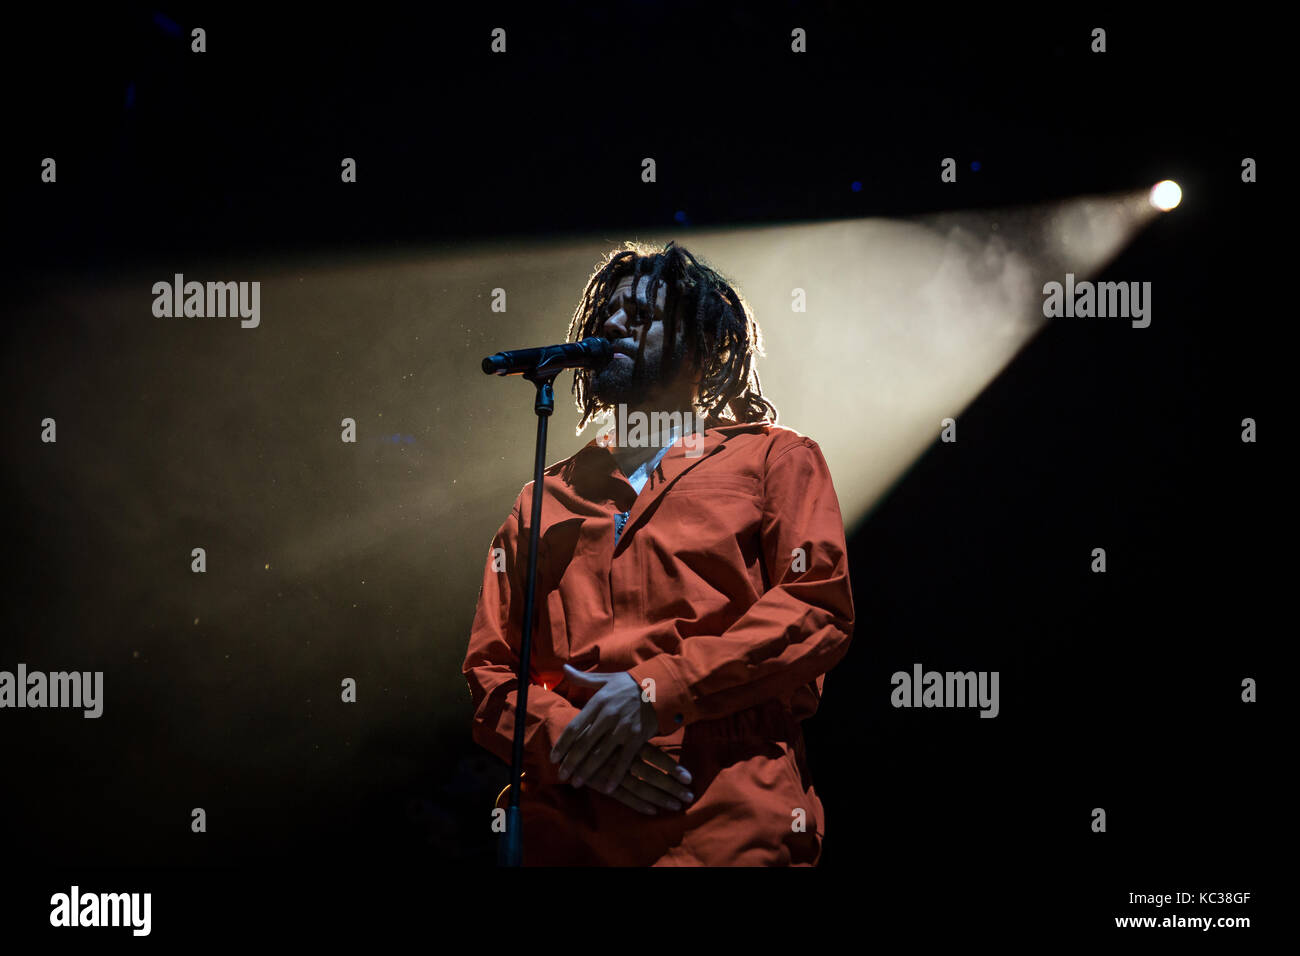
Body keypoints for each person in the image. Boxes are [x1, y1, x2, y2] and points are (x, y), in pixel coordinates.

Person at [463, 240, 854, 865]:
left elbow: (817, 610)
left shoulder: (775, 459)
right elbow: (491, 675)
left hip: (721, 807)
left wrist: (656, 689)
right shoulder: (543, 498)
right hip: (566, 818)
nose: (614, 325)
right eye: (606, 316)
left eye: (641, 317)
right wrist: (572, 741)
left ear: (702, 350)